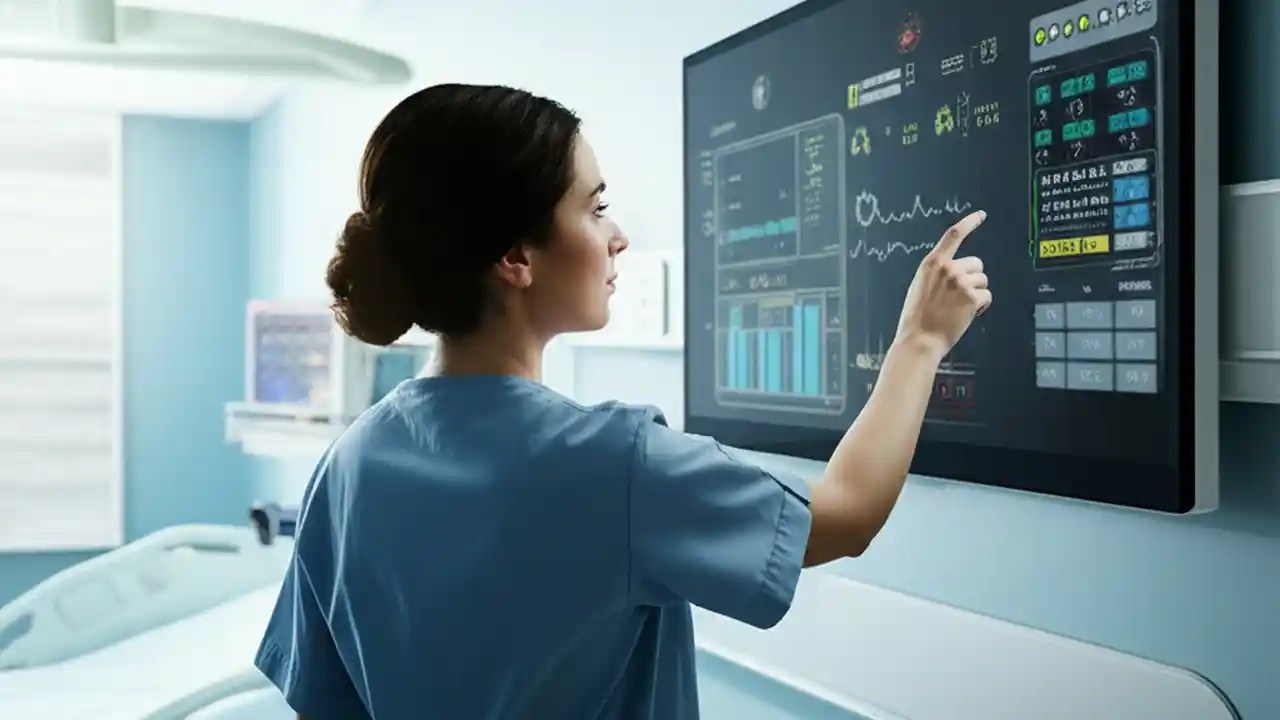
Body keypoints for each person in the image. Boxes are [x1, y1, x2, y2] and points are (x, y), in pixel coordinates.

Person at [253, 83, 992, 720]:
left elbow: (321, 701)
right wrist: (920, 340)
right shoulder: (614, 464)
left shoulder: (351, 462)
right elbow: (850, 513)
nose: (619, 237)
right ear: (516, 257)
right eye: (595, 208)